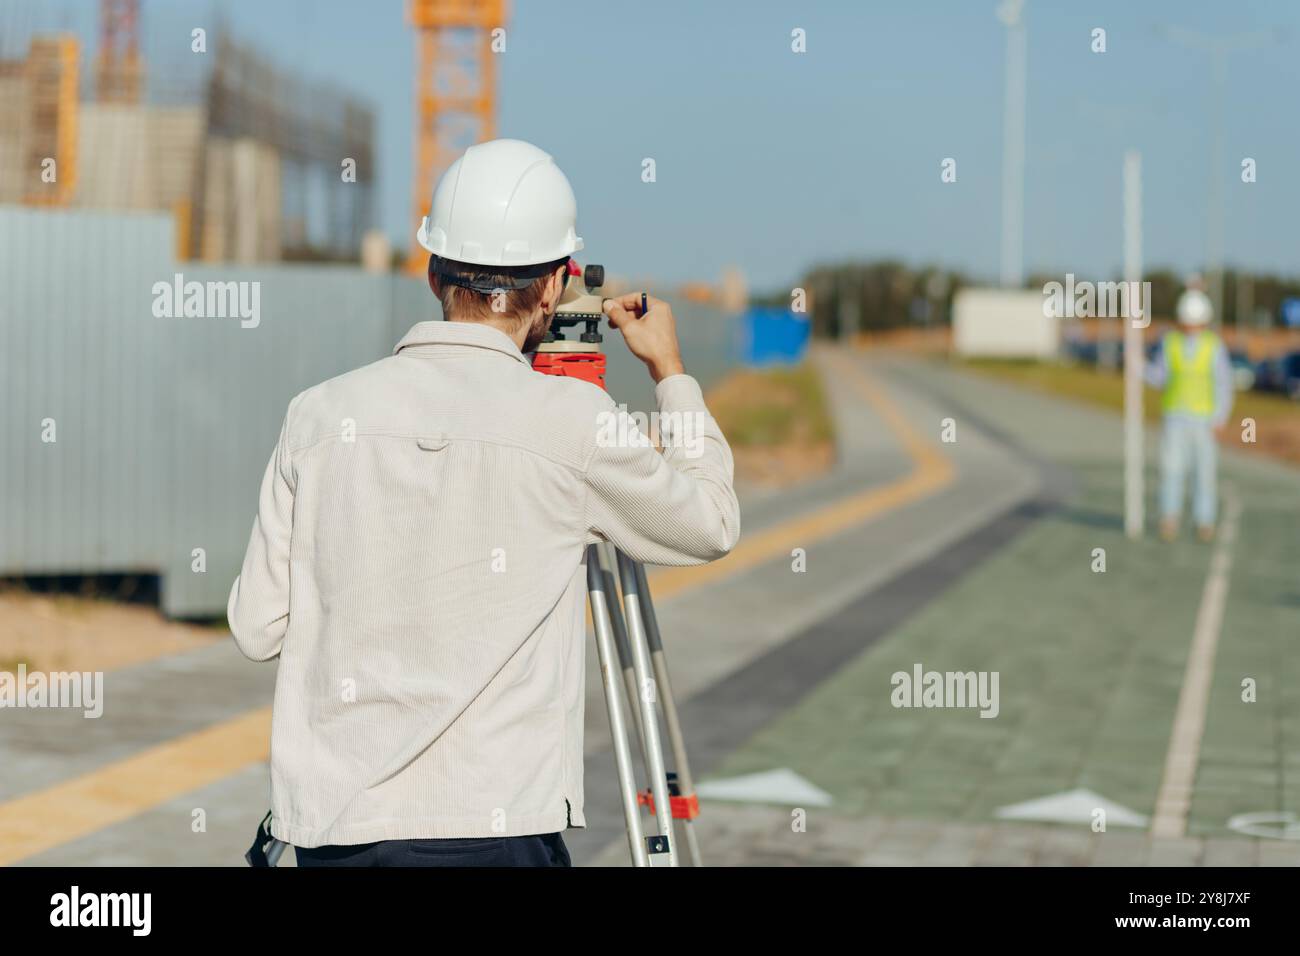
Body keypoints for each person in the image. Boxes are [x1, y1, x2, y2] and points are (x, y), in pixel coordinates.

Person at [226, 139, 740, 867]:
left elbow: (256, 627)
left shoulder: (316, 415)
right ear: (556, 286)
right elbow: (712, 523)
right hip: (494, 831)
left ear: (434, 269)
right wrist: (671, 372)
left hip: (332, 834)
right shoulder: (572, 422)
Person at [1146, 285, 1233, 543]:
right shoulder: (1170, 343)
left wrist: (1220, 417)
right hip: (1175, 417)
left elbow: (1224, 384)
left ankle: (1204, 520)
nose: (1191, 327)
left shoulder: (1213, 346)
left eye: (1196, 323)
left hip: (1204, 420)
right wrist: (1139, 367)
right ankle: (1169, 517)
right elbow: (1160, 377)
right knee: (1172, 469)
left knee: (1204, 473)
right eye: (1188, 322)